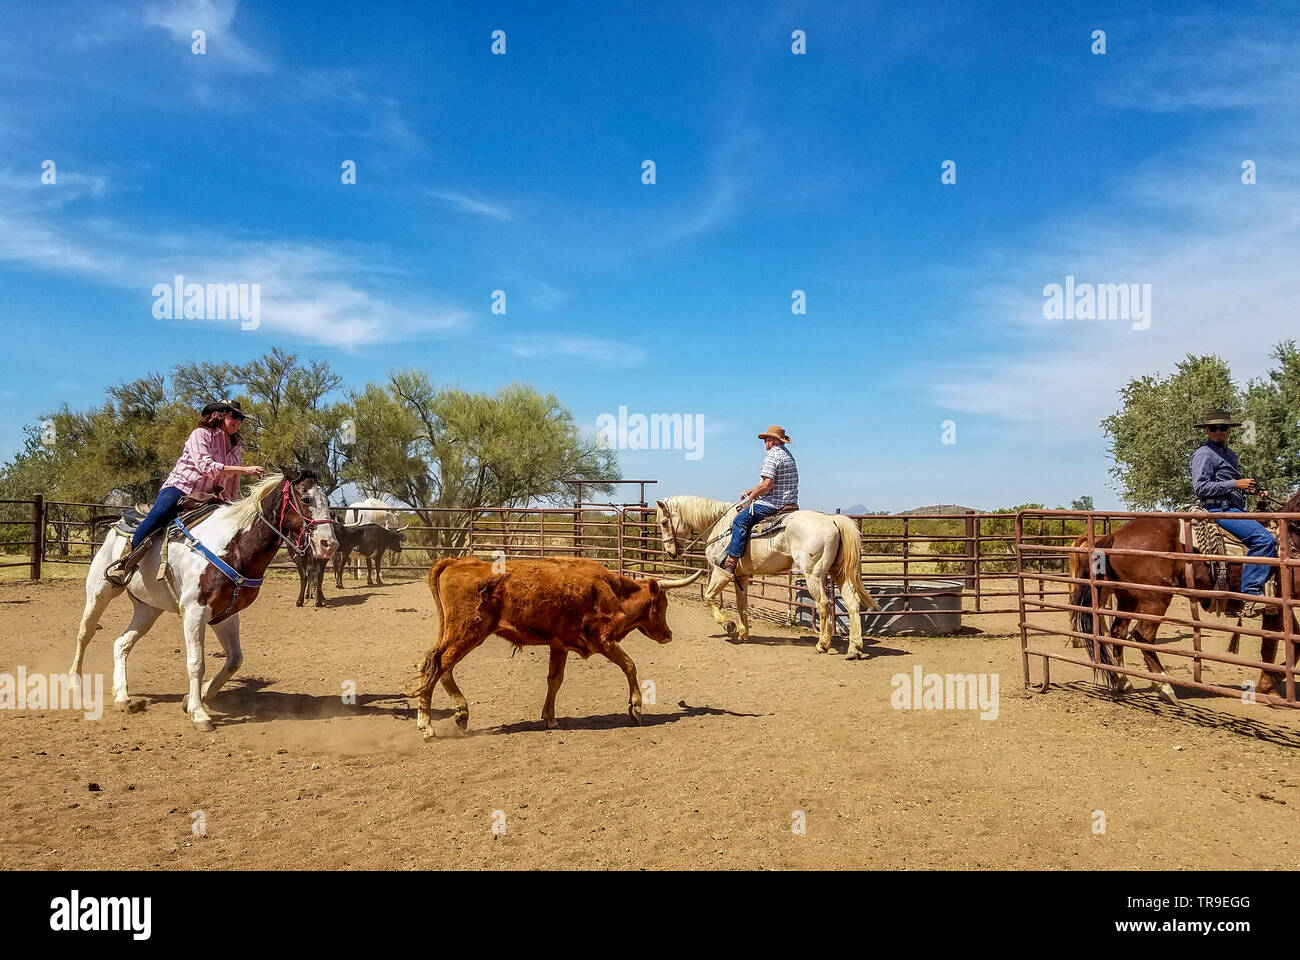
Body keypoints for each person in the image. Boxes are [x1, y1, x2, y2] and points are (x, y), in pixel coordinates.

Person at [105, 400, 264, 586]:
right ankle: (126, 560)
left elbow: (231, 480)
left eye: (241, 418)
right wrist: (245, 470)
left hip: (209, 496)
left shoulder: (236, 445)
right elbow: (207, 467)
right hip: (182, 487)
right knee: (160, 513)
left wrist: (230, 504)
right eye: (234, 416)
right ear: (219, 416)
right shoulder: (201, 434)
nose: (238, 421)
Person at [1189, 408, 1275, 617]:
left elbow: (1231, 484)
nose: (1218, 431)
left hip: (1236, 506)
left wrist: (1251, 489)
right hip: (1219, 508)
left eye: (1223, 428)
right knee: (1264, 540)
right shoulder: (1204, 454)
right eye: (1213, 428)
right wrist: (1235, 483)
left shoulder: (1230, 454)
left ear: (1229, 430)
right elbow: (1201, 487)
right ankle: (1252, 594)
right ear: (1207, 431)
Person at [717, 425, 799, 577]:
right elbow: (772, 483)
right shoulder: (787, 455)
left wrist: (751, 497)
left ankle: (731, 560)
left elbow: (767, 485)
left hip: (773, 503)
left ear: (772, 441)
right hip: (790, 502)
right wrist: (753, 489)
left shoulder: (772, 456)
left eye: (766, 440)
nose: (765, 443)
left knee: (740, 520)